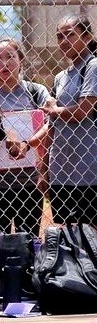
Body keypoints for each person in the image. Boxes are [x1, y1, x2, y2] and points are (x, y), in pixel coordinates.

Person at [43, 16, 97, 227]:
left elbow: (83, 111)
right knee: (69, 234)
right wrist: (44, 169)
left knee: (95, 235)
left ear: (87, 37)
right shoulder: (60, 78)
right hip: (63, 171)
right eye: (59, 36)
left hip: (93, 169)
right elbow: (51, 127)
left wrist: (54, 109)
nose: (64, 41)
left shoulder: (95, 66)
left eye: (70, 34)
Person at [0, 38, 51, 235]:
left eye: (10, 57)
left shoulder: (35, 91)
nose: (4, 64)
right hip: (1, 181)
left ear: (21, 60)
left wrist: (27, 144)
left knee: (28, 237)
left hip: (29, 178)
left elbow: (51, 122)